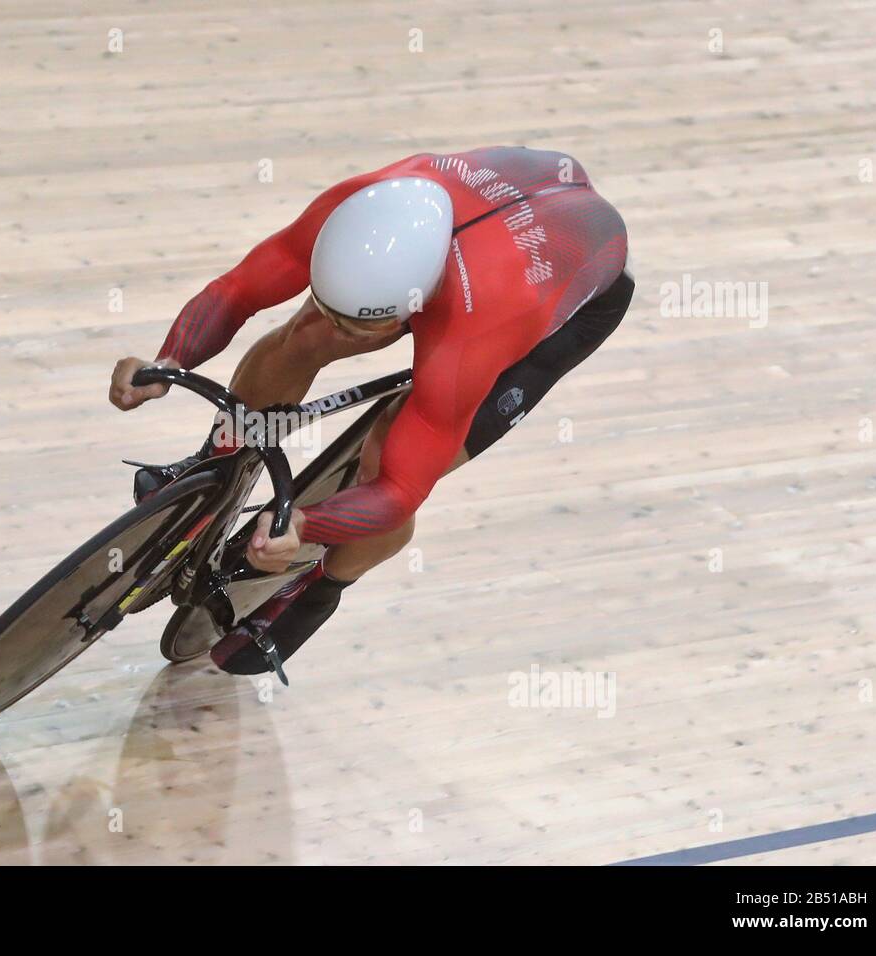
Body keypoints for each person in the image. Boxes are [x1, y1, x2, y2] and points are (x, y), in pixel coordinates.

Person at [109, 146, 633, 676]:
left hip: (551, 301)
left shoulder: (474, 330)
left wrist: (308, 523)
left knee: (389, 453)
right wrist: (169, 360)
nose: (341, 333)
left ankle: (317, 591)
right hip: (478, 231)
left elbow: (401, 490)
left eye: (355, 326)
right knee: (305, 335)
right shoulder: (355, 208)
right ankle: (216, 468)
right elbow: (239, 288)